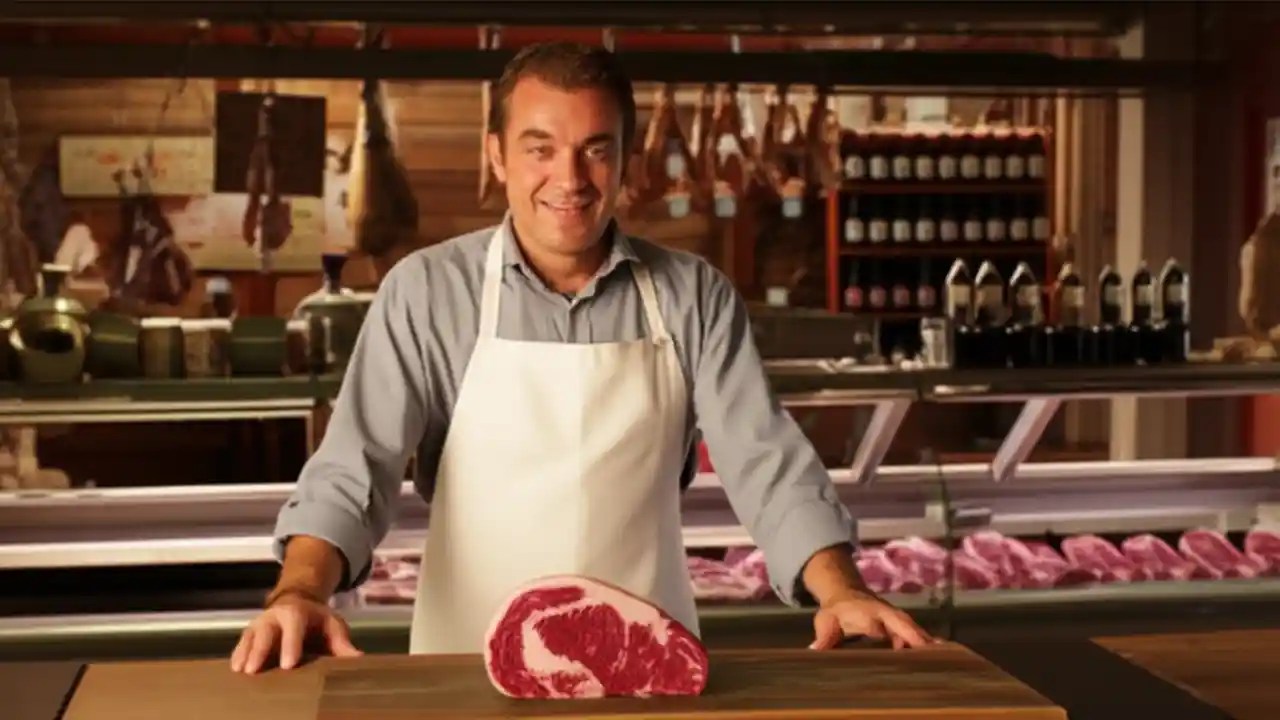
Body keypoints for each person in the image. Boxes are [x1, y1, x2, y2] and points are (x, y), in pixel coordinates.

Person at [230, 41, 932, 675]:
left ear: (624, 160)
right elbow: (354, 468)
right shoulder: (426, 292)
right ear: (498, 155)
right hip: (467, 670)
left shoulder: (694, 296)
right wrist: (300, 591)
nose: (568, 178)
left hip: (647, 669)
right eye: (540, 148)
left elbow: (767, 463)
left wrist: (842, 591)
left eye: (595, 149)